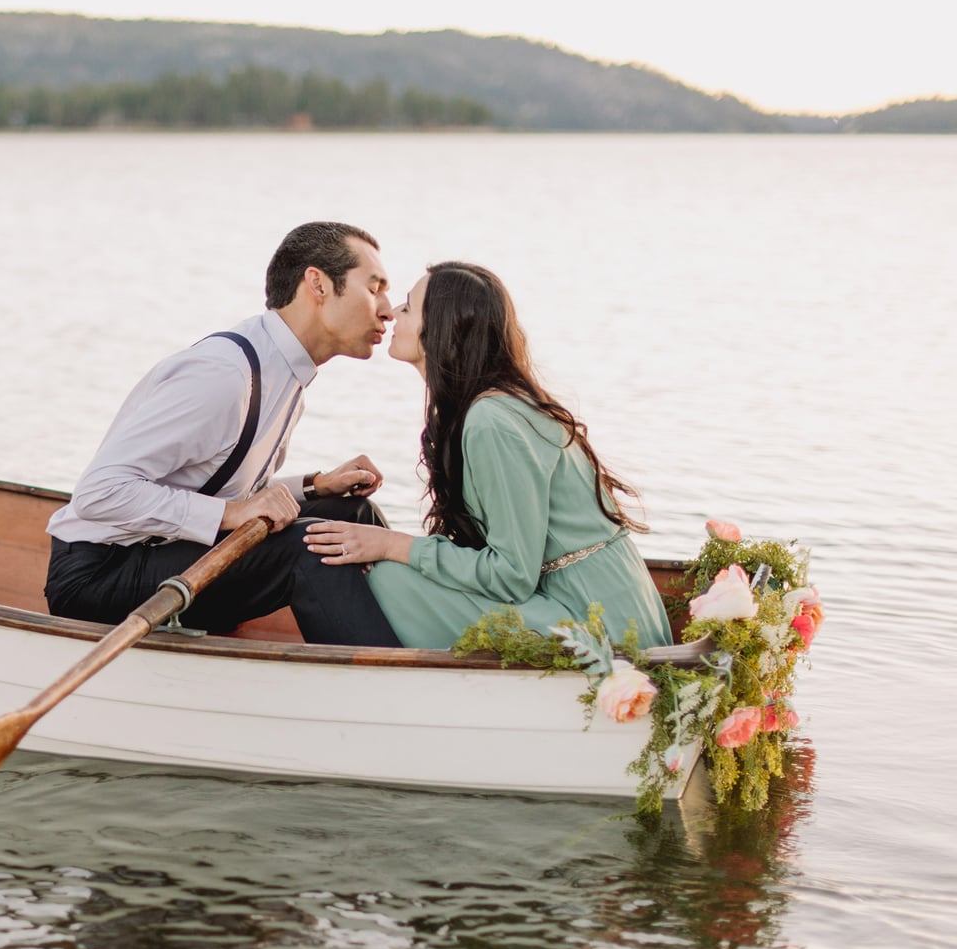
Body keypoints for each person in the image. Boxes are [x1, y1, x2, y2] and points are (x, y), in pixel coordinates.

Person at [44, 221, 403, 646]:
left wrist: (314, 486)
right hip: (98, 576)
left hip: (160, 553)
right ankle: (387, 683)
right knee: (304, 551)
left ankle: (418, 642)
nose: (387, 309)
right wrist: (234, 515)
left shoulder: (285, 374)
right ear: (318, 284)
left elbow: (225, 485)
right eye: (374, 287)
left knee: (350, 516)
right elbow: (100, 492)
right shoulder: (224, 375)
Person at [302, 261, 674, 649]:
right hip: (586, 597)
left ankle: (380, 692)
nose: (394, 312)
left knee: (385, 577)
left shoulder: (491, 420)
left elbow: (511, 574)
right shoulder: (485, 410)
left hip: (598, 620)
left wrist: (391, 545)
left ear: (444, 328)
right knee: (393, 568)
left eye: (409, 308)